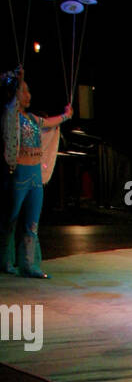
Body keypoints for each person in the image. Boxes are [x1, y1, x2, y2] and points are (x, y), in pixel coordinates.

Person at [1, 69, 72, 278]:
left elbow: (50, 122)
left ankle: (30, 264)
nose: (28, 95)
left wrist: (66, 115)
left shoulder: (32, 118)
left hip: (34, 176)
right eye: (24, 91)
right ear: (15, 94)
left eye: (28, 91)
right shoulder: (10, 115)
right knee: (10, 219)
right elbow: (12, 100)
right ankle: (6, 261)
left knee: (32, 221)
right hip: (19, 174)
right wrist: (18, 78)